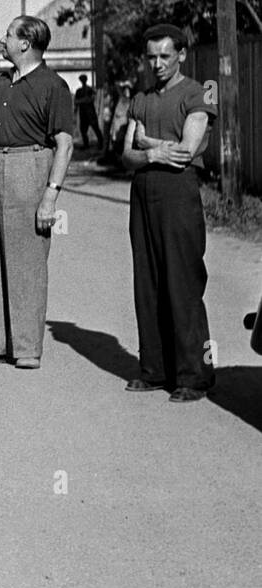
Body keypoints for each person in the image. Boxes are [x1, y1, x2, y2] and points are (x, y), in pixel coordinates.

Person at [0, 15, 74, 369]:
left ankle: (27, 347)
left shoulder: (53, 86)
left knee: (26, 262)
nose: (2, 40)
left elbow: (64, 144)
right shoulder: (0, 84)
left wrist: (50, 196)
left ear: (26, 43)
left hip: (27, 168)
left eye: (8, 35)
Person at [121, 23, 216, 401]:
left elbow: (187, 152)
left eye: (164, 56)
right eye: (151, 57)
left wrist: (149, 143)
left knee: (183, 282)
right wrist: (151, 152)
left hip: (179, 194)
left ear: (181, 55)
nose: (157, 64)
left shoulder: (196, 92)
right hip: (143, 193)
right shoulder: (140, 98)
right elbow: (126, 155)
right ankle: (155, 369)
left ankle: (194, 374)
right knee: (148, 283)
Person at [74, 73, 101, 148]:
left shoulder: (90, 90)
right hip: (83, 114)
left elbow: (91, 99)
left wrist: (82, 101)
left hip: (90, 113)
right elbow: (76, 102)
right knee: (83, 130)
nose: (83, 81)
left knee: (96, 128)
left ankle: (101, 144)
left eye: (83, 79)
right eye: (81, 80)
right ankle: (86, 144)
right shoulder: (79, 91)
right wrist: (84, 101)